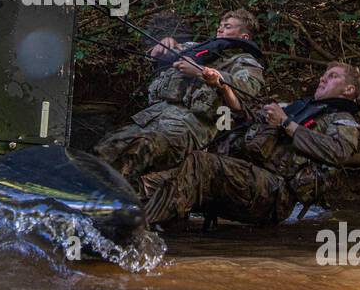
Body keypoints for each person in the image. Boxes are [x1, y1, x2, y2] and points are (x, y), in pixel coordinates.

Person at [139, 61, 360, 228]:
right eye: (324, 74)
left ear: (348, 90)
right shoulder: (296, 107)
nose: (323, 78)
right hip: (245, 176)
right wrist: (223, 86)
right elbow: (243, 116)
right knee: (171, 168)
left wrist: (286, 123)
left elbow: (339, 151)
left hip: (274, 195)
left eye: (333, 76)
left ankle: (138, 228)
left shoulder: (343, 120)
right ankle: (120, 211)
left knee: (200, 165)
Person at [93, 10, 265, 185]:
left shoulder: (244, 63)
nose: (220, 30)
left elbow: (241, 102)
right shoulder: (199, 47)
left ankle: (105, 200)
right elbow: (160, 53)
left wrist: (202, 74)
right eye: (220, 26)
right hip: (154, 116)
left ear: (244, 36)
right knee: (107, 147)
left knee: (140, 148)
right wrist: (165, 45)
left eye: (227, 27)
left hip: (191, 128)